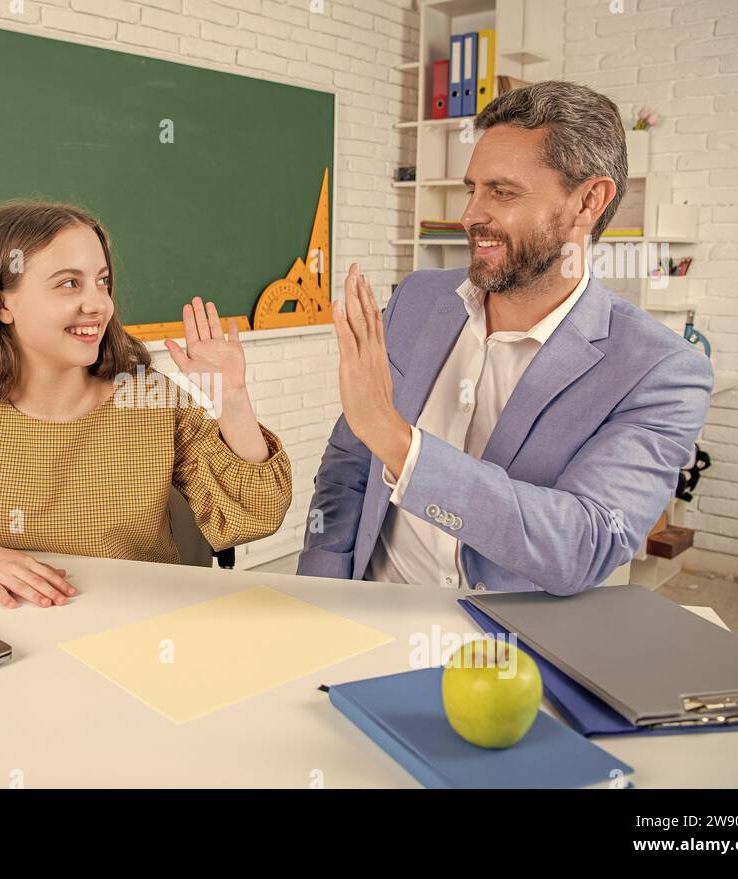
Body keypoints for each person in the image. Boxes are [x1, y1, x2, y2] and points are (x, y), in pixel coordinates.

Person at [299, 80, 713, 595]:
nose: (471, 214)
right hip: (371, 607)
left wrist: (398, 442)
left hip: (509, 650)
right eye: (472, 188)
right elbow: (348, 466)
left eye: (503, 191)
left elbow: (584, 544)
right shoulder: (417, 300)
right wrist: (323, 590)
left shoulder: (659, 370)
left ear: (589, 201)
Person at [0, 200, 291, 608]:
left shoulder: (151, 400)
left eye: (103, 282)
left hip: (133, 634)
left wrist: (233, 396)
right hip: (1, 635)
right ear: (1, 304)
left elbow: (254, 514)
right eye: (68, 283)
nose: (98, 304)